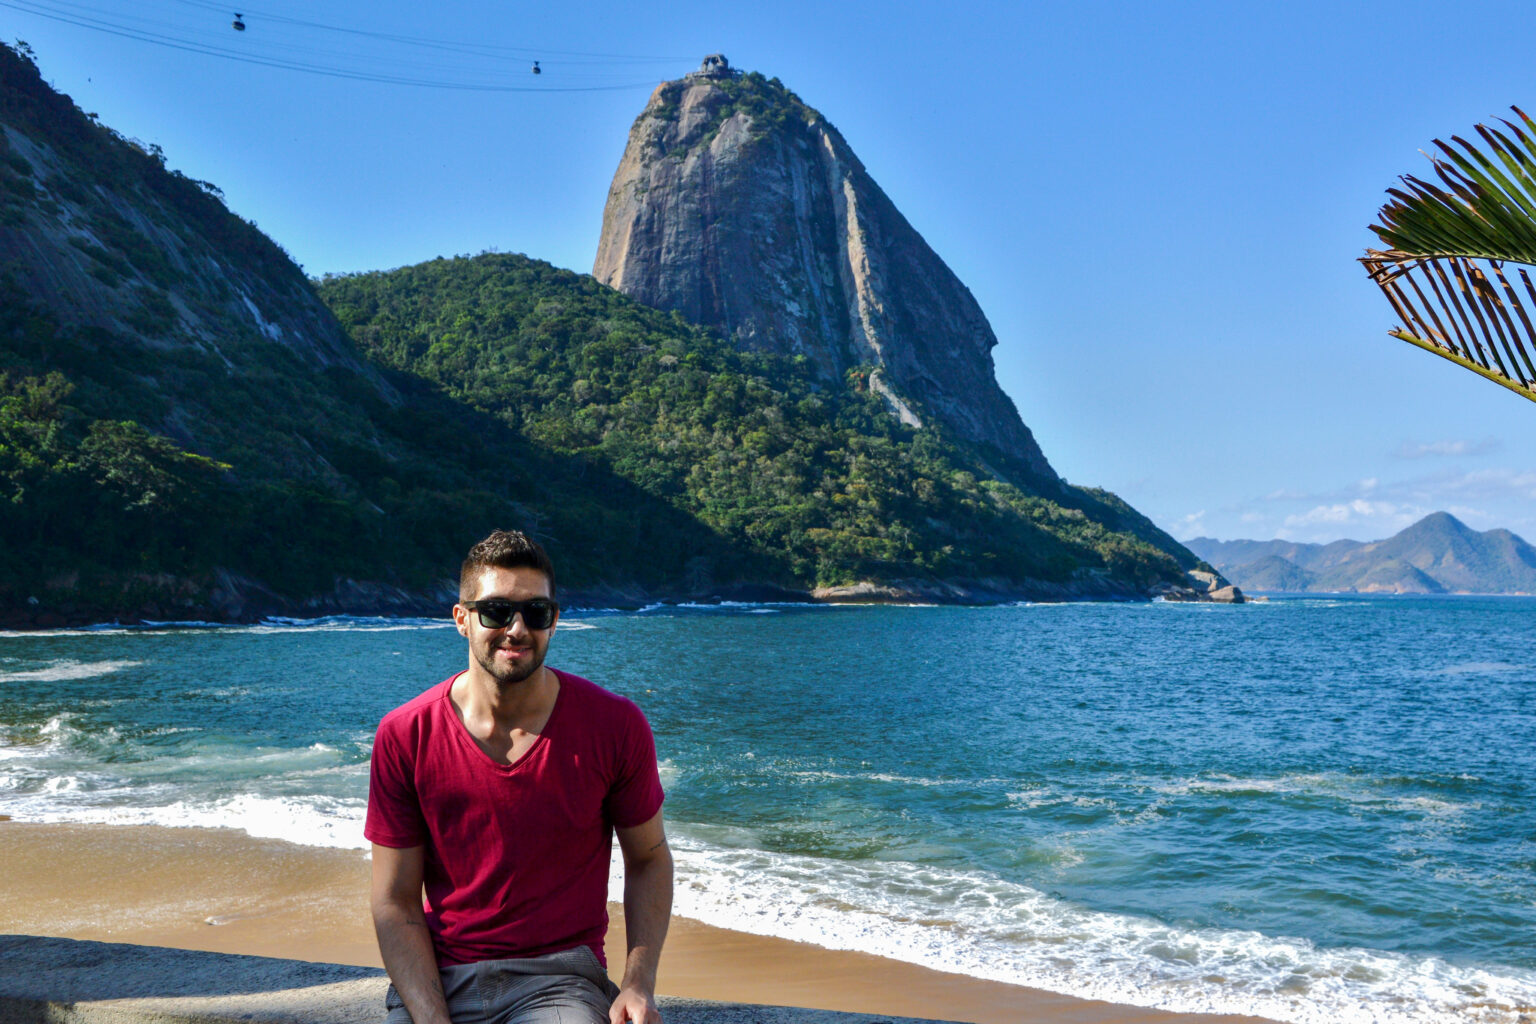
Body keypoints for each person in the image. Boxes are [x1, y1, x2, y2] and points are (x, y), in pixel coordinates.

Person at [366, 529, 671, 1024]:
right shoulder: (405, 734)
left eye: (536, 612)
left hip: (559, 981)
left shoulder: (614, 726)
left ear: (554, 621)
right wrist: (431, 1017)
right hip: (438, 977)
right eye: (496, 611)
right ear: (462, 620)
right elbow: (394, 898)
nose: (517, 628)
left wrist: (638, 984)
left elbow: (650, 857)